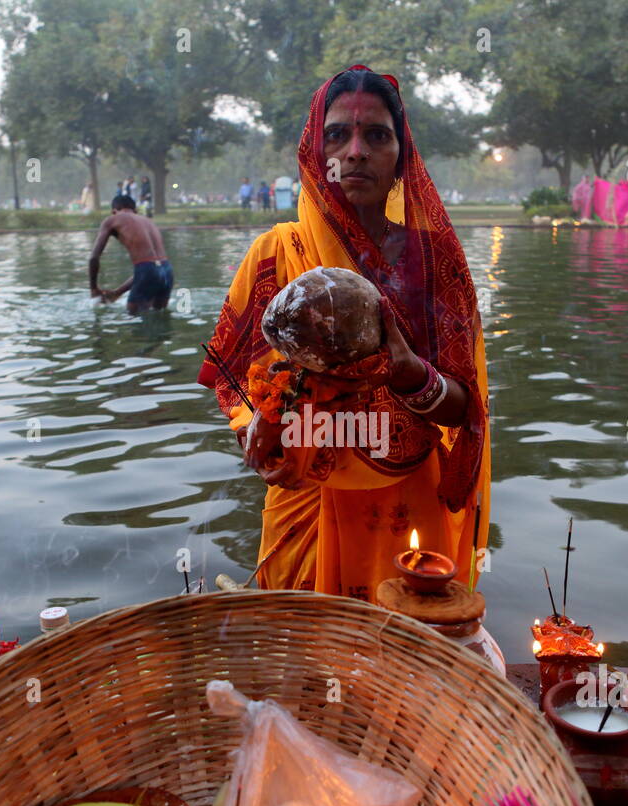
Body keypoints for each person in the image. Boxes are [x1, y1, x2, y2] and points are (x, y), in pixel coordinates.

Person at [197, 65, 489, 601]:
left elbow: (465, 408)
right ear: (315, 152)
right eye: (337, 134)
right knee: (303, 663)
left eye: (376, 135)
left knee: (397, 663)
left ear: (401, 157)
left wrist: (411, 376)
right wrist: (256, 425)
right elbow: (232, 377)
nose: (355, 151)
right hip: (305, 493)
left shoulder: (433, 263)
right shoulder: (275, 254)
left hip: (404, 507)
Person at [88, 194, 173, 313]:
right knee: (160, 318)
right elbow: (152, 267)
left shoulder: (112, 220)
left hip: (147, 271)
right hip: (167, 271)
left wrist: (93, 288)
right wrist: (117, 293)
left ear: (114, 211)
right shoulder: (149, 222)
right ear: (135, 210)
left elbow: (93, 258)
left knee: (134, 320)